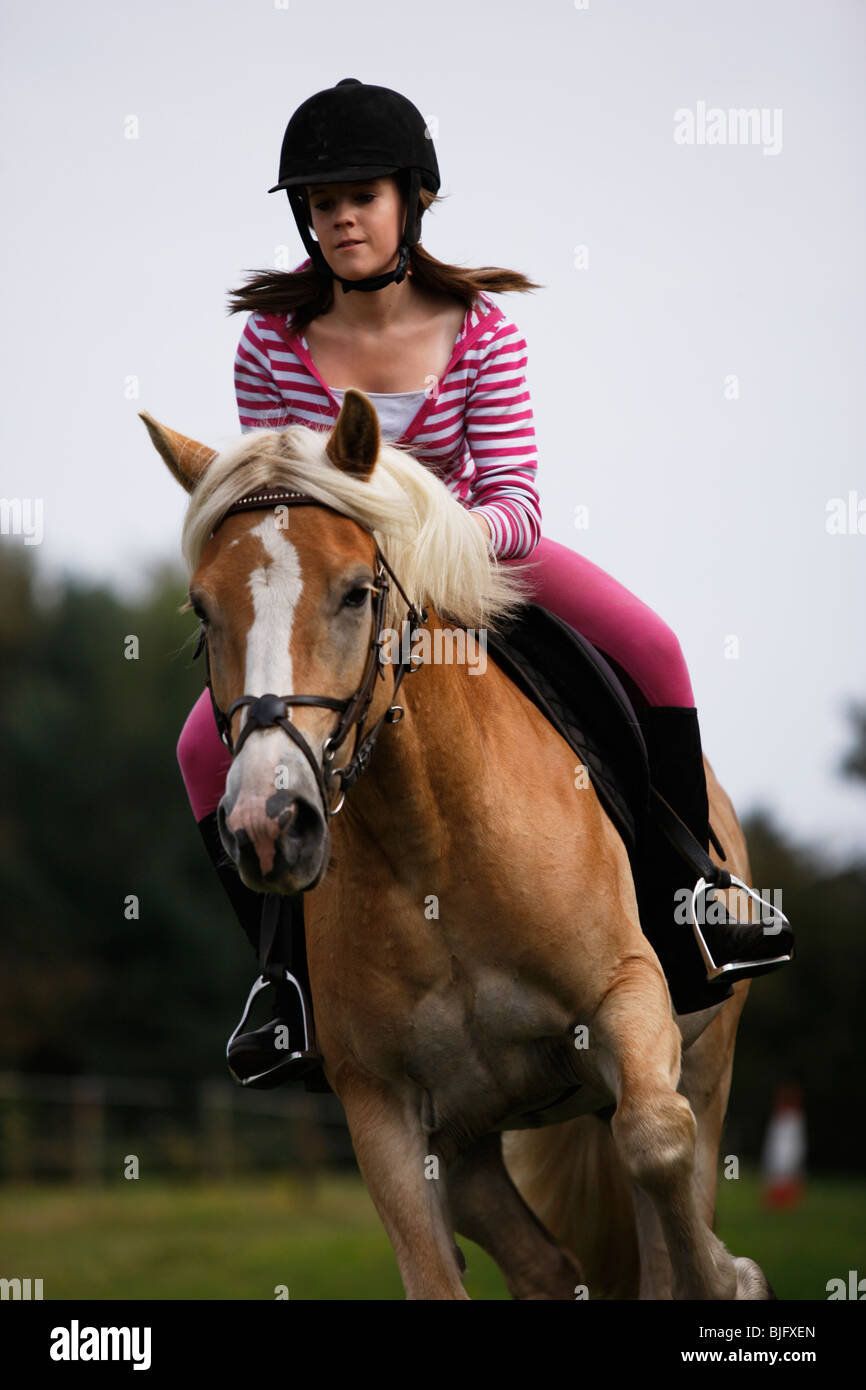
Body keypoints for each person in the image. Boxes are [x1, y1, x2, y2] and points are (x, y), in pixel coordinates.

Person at [177, 79, 793, 1088]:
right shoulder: (267, 343)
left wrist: (434, 543)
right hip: (343, 585)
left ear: (411, 199)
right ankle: (282, 980)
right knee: (202, 744)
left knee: (655, 649)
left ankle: (694, 890)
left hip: (478, 558)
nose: (339, 217)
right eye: (319, 202)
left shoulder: (479, 328)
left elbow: (513, 498)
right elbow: (282, 506)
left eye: (359, 196)